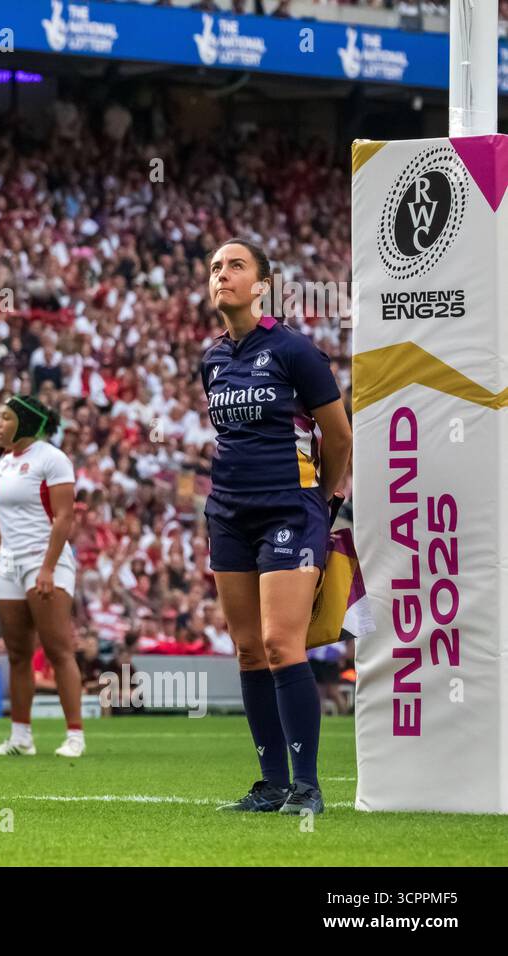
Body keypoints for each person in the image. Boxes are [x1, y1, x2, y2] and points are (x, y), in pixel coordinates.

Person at [201, 239, 351, 815]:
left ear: (263, 284)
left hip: (290, 508)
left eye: (236, 266)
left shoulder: (294, 351)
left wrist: (326, 498)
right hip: (229, 513)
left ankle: (308, 787)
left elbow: (339, 437)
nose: (223, 276)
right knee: (246, 652)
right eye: (216, 268)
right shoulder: (212, 359)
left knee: (280, 642)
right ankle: (270, 785)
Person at [0, 396, 87, 758]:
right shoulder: (3, 462)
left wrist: (48, 568)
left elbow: (64, 518)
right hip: (9, 565)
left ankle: (75, 736)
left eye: (4, 418)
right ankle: (20, 737)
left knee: (57, 649)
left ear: (23, 421)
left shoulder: (52, 459)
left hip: (44, 560)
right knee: (18, 653)